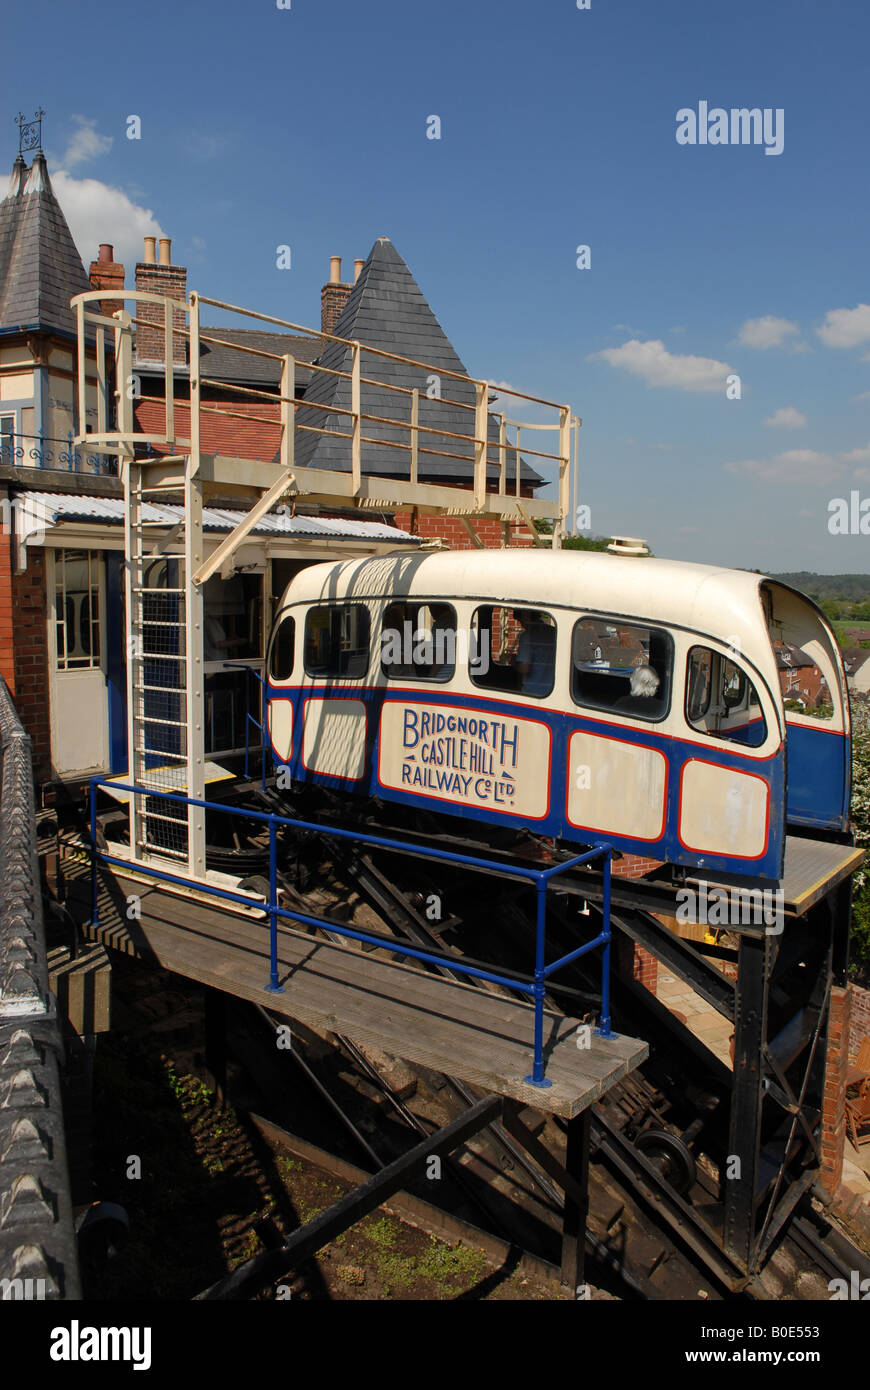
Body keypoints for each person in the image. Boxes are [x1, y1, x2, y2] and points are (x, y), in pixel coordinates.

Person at [514, 610, 555, 696]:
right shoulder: (554, 632)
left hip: (532, 691)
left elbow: (524, 668)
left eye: (520, 621)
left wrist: (514, 662)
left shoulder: (527, 636)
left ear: (526, 616)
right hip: (552, 690)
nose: (521, 624)